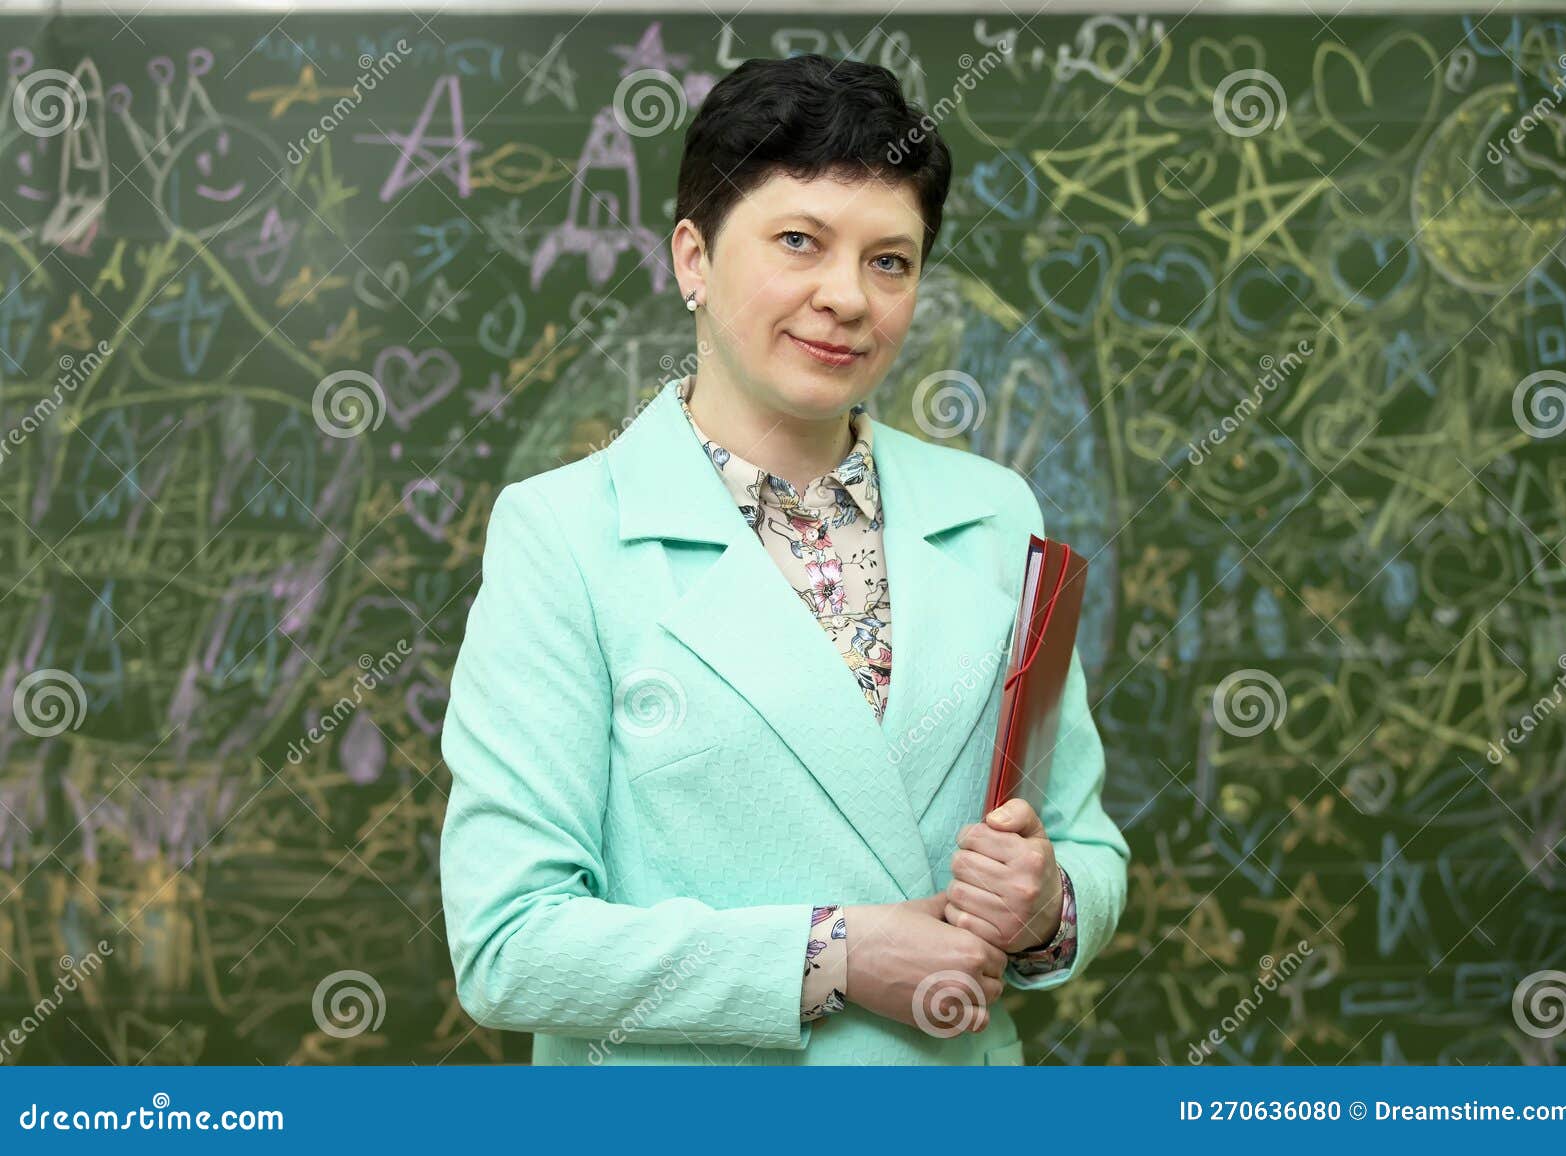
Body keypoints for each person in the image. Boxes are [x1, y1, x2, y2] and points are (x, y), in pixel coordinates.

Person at [439, 53, 1128, 1065]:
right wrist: (833, 953)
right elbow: (510, 945)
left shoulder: (991, 512)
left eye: (889, 261)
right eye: (798, 242)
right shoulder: (563, 534)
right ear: (693, 259)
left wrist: (1044, 907)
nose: (845, 296)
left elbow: (1080, 838)